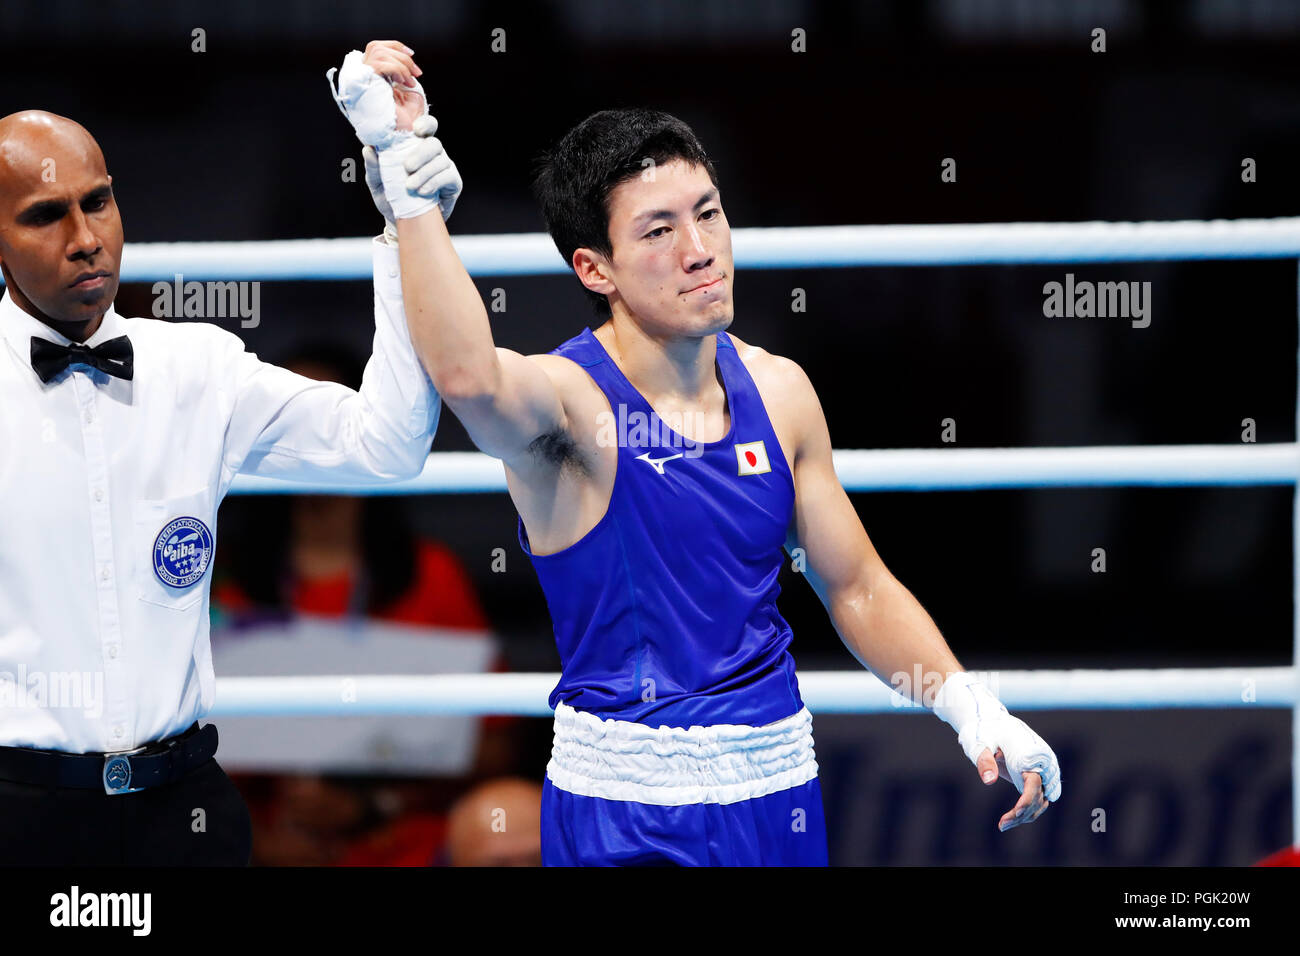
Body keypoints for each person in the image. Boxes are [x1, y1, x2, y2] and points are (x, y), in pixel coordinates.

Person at [367, 56, 1062, 864]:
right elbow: (466, 375)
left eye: (708, 213)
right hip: (624, 810)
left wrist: (970, 707)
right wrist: (410, 195)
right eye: (659, 231)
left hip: (776, 792)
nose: (701, 250)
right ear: (595, 269)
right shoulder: (568, 403)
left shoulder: (782, 389)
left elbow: (855, 583)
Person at [0, 40, 455, 865]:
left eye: (98, 202)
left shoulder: (197, 370)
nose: (84, 238)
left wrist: (405, 219)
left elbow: (387, 446)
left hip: (184, 814)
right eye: (43, 215)